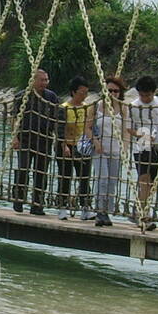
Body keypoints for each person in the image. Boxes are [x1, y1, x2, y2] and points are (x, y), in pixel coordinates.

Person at [127, 75, 158, 231]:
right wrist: (142, 134)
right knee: (144, 181)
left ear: (154, 92)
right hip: (142, 146)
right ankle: (143, 216)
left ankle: (138, 211)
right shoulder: (133, 106)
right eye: (142, 95)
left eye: (148, 95)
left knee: (152, 184)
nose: (145, 98)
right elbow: (129, 128)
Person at [12, 69, 58, 215]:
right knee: (23, 169)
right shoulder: (22, 96)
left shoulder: (51, 97)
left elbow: (56, 118)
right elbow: (14, 117)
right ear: (33, 80)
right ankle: (18, 199)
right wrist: (14, 137)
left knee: (41, 173)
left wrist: (59, 138)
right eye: (41, 80)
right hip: (25, 139)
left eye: (46, 80)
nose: (44, 83)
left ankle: (37, 204)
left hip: (45, 140)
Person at [57, 76, 96, 220]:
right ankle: (62, 207)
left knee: (84, 177)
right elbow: (59, 128)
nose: (84, 95)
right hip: (66, 146)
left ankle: (85, 208)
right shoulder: (63, 108)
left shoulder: (87, 108)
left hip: (82, 147)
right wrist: (64, 145)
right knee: (65, 176)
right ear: (73, 92)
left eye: (86, 92)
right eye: (81, 92)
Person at [91, 76, 126, 227]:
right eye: (109, 90)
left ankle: (107, 211)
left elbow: (125, 131)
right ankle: (99, 211)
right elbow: (87, 127)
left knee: (112, 182)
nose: (112, 93)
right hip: (100, 149)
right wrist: (95, 141)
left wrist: (125, 147)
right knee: (102, 179)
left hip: (116, 150)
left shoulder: (123, 107)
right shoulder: (96, 106)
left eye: (116, 91)